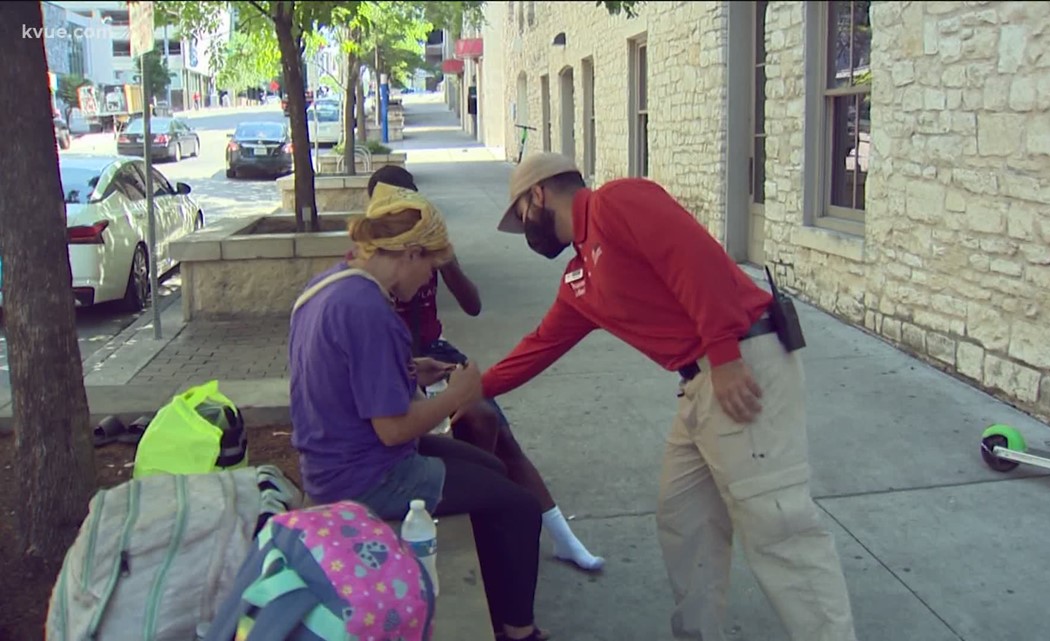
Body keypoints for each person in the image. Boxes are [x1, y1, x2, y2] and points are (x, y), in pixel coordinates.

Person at [482, 152, 860, 641]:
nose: (526, 230)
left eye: (521, 216)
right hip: (700, 384)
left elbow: (692, 258)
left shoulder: (616, 202)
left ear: (538, 195)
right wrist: (471, 388)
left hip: (741, 362)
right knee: (685, 517)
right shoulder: (581, 276)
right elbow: (539, 346)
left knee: (780, 526)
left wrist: (723, 356)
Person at [288, 187, 547, 641]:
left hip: (329, 459)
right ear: (409, 253)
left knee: (491, 468)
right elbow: (391, 431)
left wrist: (410, 373)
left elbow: (345, 380)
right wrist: (457, 395)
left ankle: (497, 600)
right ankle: (518, 631)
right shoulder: (371, 311)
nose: (430, 279)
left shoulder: (329, 286)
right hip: (364, 476)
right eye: (431, 266)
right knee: (521, 507)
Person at [366, 165, 605, 572]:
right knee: (470, 426)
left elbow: (473, 305)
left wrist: (443, 262)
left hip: (433, 354)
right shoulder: (371, 269)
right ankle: (487, 529)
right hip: (396, 367)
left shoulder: (428, 251)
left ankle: (562, 536)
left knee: (495, 429)